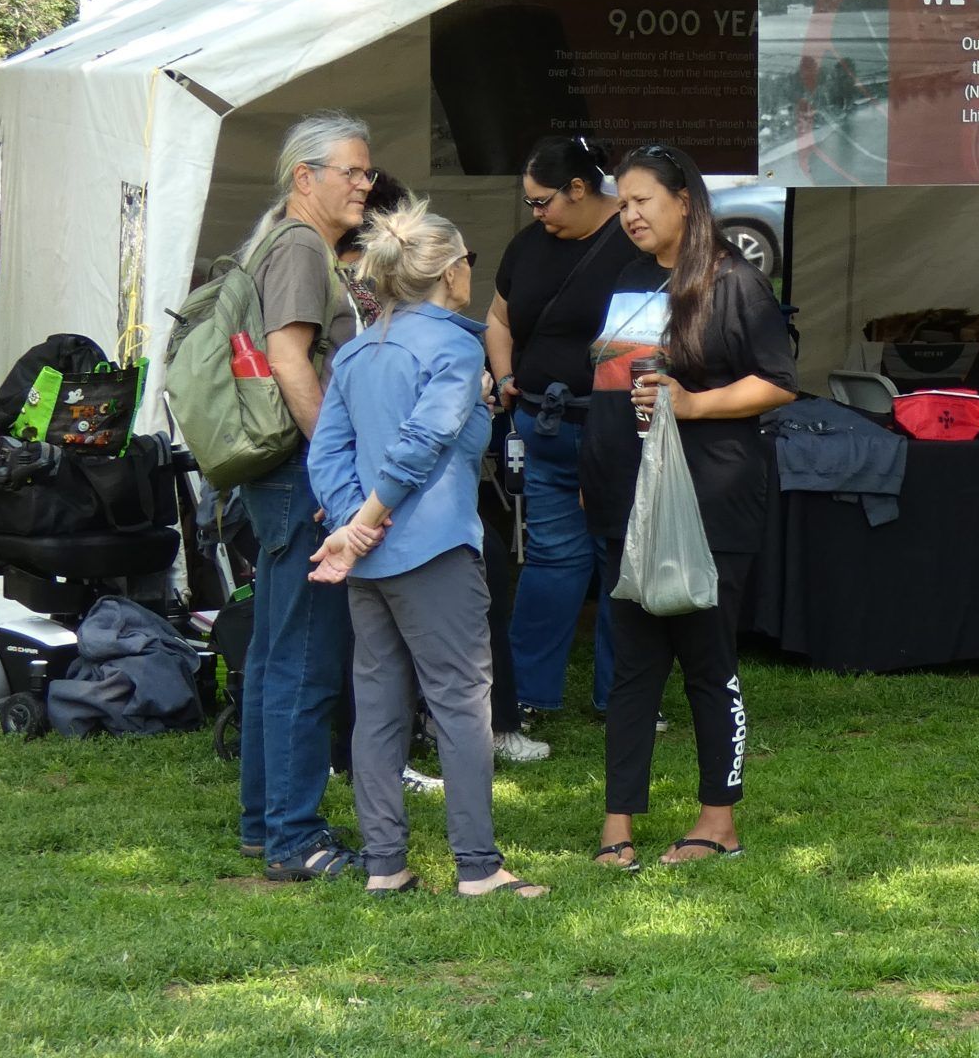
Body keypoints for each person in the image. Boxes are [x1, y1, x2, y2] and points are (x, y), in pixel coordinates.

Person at [306, 203, 547, 898]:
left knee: (377, 706)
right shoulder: (453, 345)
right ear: (449, 271)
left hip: (369, 559)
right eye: (469, 258)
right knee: (461, 704)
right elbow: (422, 444)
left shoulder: (354, 352)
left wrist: (354, 525)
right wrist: (367, 523)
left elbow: (328, 453)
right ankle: (478, 867)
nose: (474, 269)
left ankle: (386, 865)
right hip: (429, 548)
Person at [585, 144, 798, 869]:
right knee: (633, 666)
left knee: (708, 659)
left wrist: (696, 404)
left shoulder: (733, 282)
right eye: (623, 202)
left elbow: (777, 381)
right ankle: (617, 825)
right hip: (634, 500)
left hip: (711, 498)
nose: (630, 213)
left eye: (642, 200)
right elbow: (617, 386)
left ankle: (719, 821)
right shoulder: (627, 276)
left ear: (685, 201)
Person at [235, 111, 371, 881]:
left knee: (275, 651)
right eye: (351, 171)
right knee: (307, 658)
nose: (364, 183)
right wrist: (335, 472)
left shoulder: (288, 242)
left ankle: (266, 823)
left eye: (365, 170)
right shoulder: (296, 246)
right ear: (304, 177)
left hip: (283, 472)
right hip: (300, 474)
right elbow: (290, 360)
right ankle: (295, 839)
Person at [489, 134, 636, 741]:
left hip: (612, 429)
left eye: (542, 201)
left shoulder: (633, 242)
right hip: (542, 431)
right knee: (553, 559)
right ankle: (526, 696)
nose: (536, 214)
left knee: (621, 562)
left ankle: (622, 696)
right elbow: (499, 318)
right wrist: (503, 376)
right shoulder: (529, 245)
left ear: (580, 189)